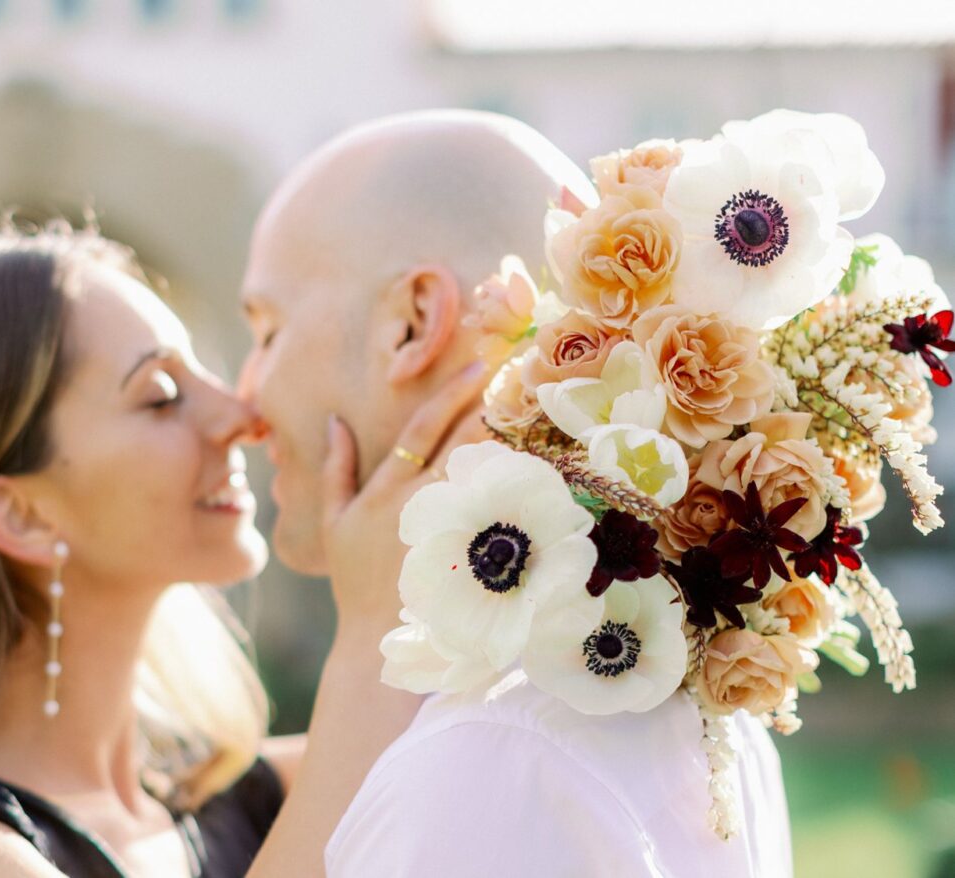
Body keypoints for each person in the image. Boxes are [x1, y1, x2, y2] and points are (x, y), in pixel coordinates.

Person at [0, 223, 470, 877]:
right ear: (21, 514)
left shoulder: (272, 797)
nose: (241, 416)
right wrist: (370, 632)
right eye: (162, 396)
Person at [237, 109, 795, 876]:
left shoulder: (484, 758)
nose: (243, 404)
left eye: (266, 332)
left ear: (412, 322)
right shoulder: (682, 702)